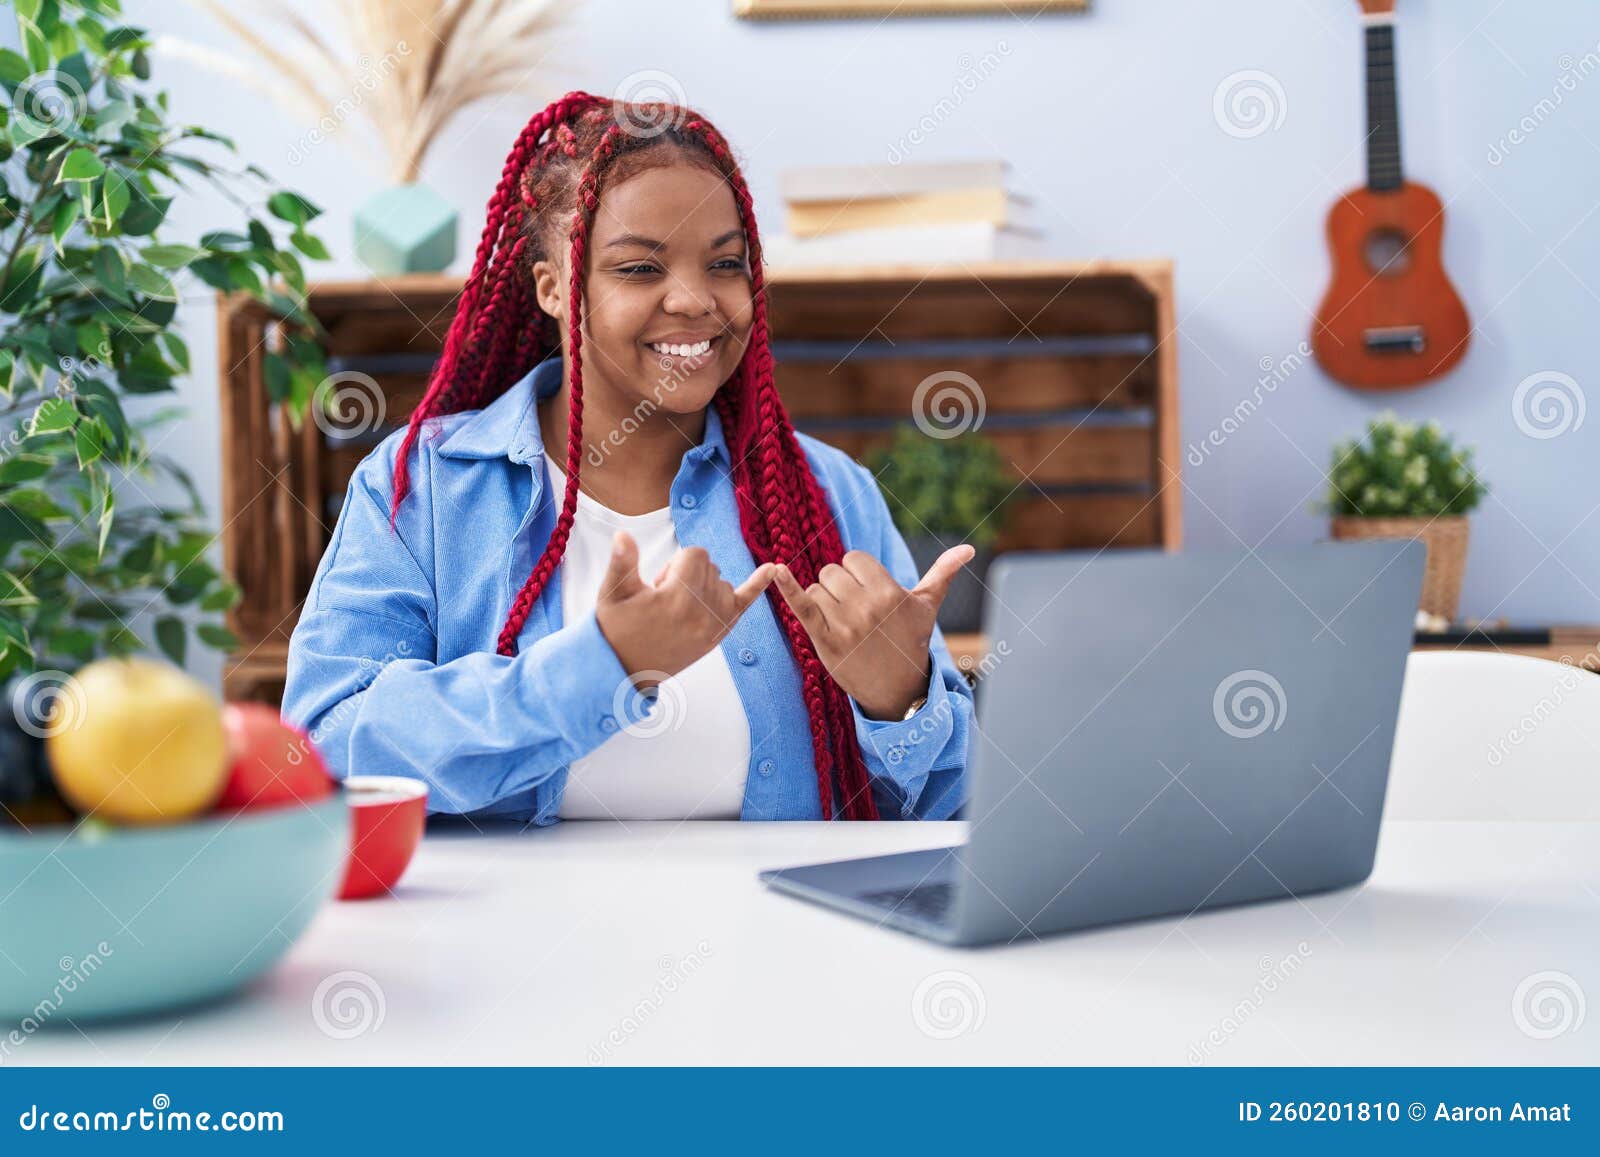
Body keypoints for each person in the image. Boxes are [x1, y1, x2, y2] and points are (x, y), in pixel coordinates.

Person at [282, 91, 974, 824]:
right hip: (497, 937)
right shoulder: (422, 488)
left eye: (726, 262)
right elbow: (325, 746)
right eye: (641, 268)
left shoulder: (826, 494)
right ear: (552, 288)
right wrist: (600, 665)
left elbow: (949, 817)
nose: (694, 300)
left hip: (777, 938)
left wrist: (899, 700)